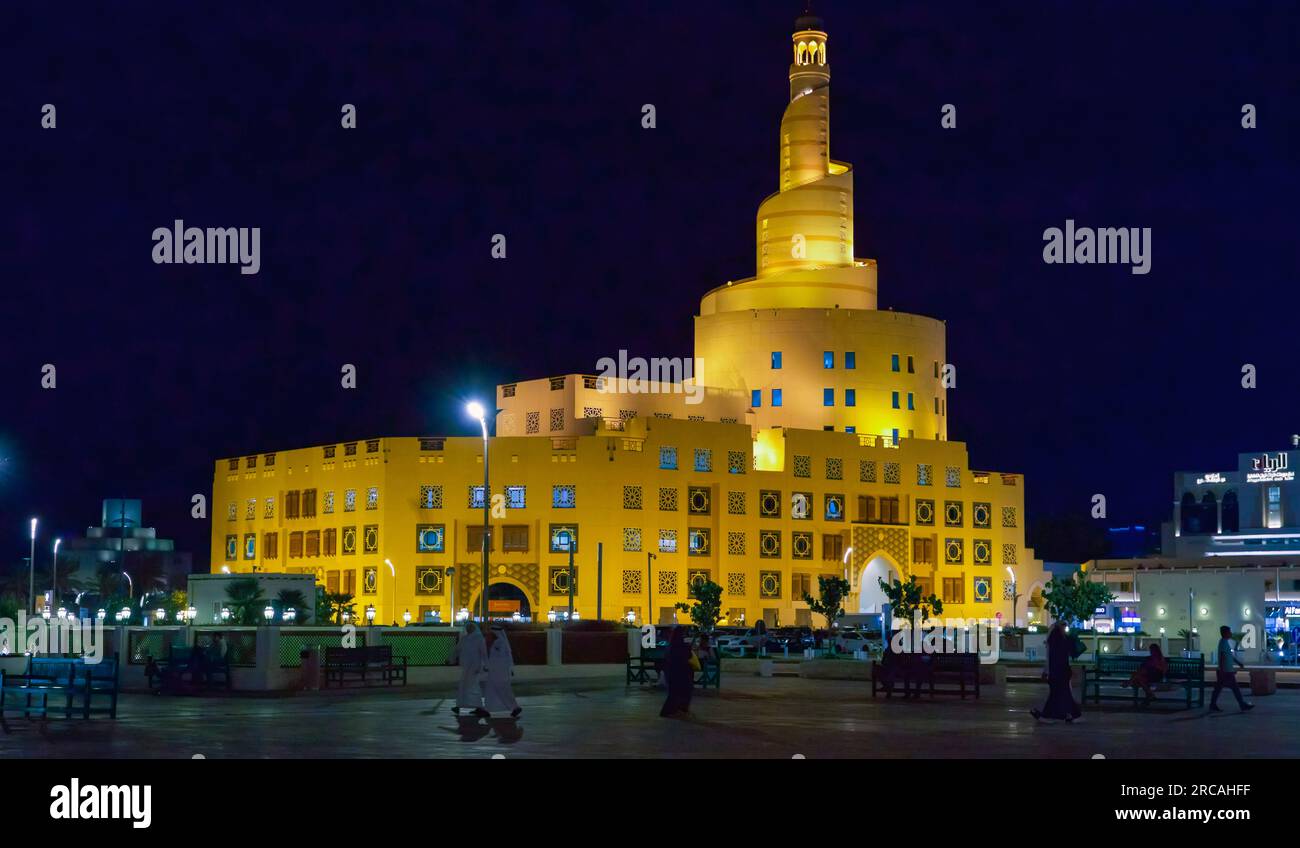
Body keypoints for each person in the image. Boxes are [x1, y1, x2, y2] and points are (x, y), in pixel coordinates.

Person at [1031, 621, 1083, 723]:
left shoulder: (1052, 641)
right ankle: (1069, 714)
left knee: (1057, 694)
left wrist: (1046, 671)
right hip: (1063, 671)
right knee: (1063, 694)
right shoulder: (1066, 640)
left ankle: (1064, 714)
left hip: (1055, 672)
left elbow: (1049, 658)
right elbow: (1074, 652)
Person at [1210, 625, 1254, 713]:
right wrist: (1222, 670)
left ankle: (1213, 704)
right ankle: (1242, 705)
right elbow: (1223, 657)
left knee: (1221, 688)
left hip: (1226, 670)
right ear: (1225, 633)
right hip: (1226, 671)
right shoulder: (1223, 643)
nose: (1231, 633)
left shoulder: (1225, 642)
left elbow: (1229, 656)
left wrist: (1238, 663)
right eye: (1229, 632)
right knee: (1233, 688)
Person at [450, 621, 488, 717]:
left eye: (470, 627)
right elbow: (457, 650)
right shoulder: (465, 639)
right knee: (464, 686)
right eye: (467, 628)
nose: (468, 629)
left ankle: (479, 707)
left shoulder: (479, 639)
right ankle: (460, 705)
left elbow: (484, 653)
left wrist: (486, 665)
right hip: (466, 667)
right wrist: (451, 659)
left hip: (475, 667)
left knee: (473, 687)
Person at [483, 624, 521, 718]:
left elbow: (501, 658)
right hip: (495, 671)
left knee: (504, 690)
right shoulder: (497, 643)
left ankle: (515, 707)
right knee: (491, 690)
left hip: (500, 672)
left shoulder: (500, 643)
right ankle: (487, 709)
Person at [659, 625, 694, 718]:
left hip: (672, 672)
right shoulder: (682, 646)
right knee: (682, 692)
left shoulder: (670, 646)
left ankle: (672, 710)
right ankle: (677, 710)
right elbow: (688, 656)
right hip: (682, 672)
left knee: (674, 693)